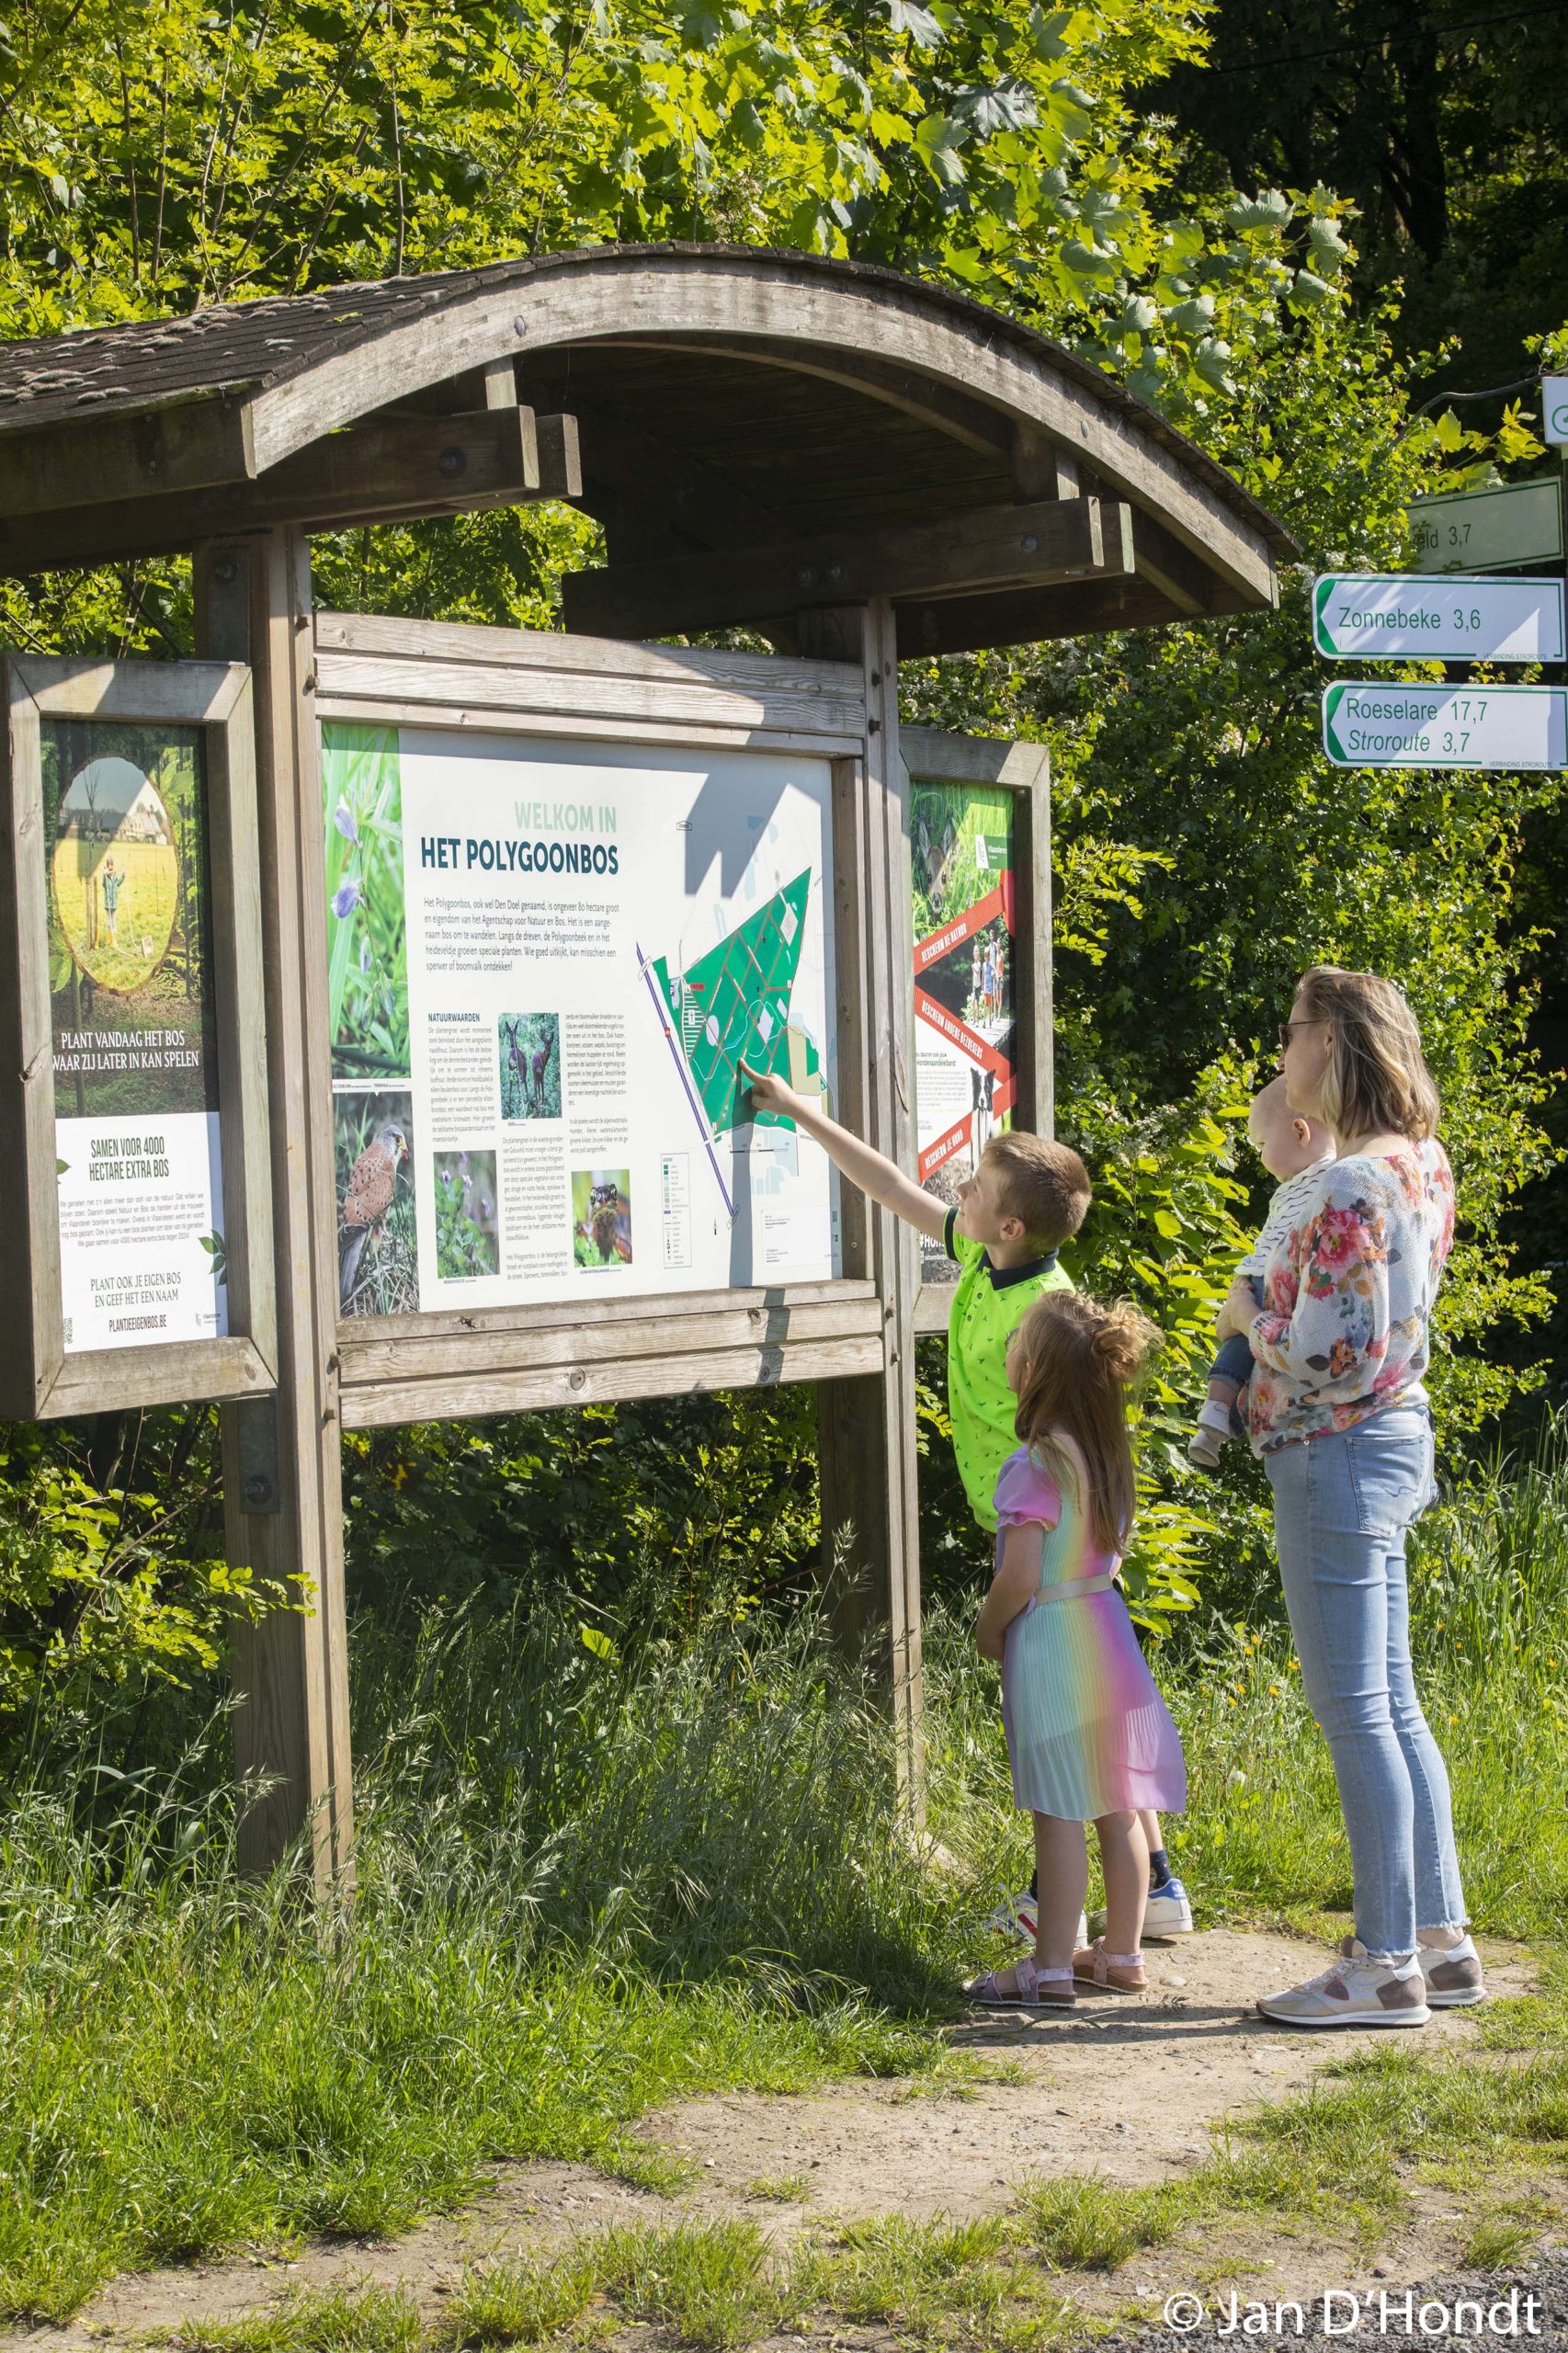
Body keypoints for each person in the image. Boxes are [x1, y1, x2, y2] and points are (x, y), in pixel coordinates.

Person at [738, 1057, 1189, 1943]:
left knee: (1070, 1719)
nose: (960, 1189)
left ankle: (1056, 1908)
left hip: (1046, 1531)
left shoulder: (1047, 1311)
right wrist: (797, 1111)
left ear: (1012, 1224)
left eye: (976, 1186)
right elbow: (890, 1187)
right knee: (1091, 1712)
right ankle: (1156, 1888)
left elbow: (1087, 1427)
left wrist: (1074, 1525)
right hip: (1016, 1514)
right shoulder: (985, 1257)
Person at [1219, 967, 1483, 2028]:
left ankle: (1381, 1967)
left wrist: (1248, 1322)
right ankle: (1440, 1943)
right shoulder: (1420, 1159)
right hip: (1389, 1439)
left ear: (1328, 1040)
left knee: (1355, 1711)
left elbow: (1335, 1351)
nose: (1279, 1052)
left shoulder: (1344, 1187)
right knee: (1393, 1701)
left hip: (1332, 1451)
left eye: (1289, 1030)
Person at [963, 1291, 1187, 2007]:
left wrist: (989, 1628)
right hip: (1107, 1634)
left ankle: (1050, 1967)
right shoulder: (1107, 1460)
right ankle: (1120, 1955)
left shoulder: (1033, 1466)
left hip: (1054, 1642)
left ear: (1030, 1370)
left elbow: (1020, 1574)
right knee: (1119, 1804)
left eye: (1016, 1343)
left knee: (1057, 1813)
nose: (1008, 1352)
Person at [1188, 1076, 1335, 1469]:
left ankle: (1218, 1412)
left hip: (1267, 1279)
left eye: (1262, 1145)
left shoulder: (1331, 1177)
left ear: (1300, 1132)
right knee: (1249, 1344)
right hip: (1273, 1279)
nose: (1261, 1157)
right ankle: (1220, 1421)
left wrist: (1242, 1288)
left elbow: (1271, 1247)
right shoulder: (1316, 1180)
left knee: (1241, 1341)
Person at [100, 854, 123, 947]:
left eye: (112, 865)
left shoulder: (115, 875)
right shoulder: (105, 877)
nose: (111, 867)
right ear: (107, 866)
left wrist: (123, 877)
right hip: (108, 904)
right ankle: (108, 940)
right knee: (109, 923)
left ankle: (114, 941)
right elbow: (103, 884)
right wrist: (104, 874)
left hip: (114, 904)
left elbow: (118, 884)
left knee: (114, 923)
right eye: (110, 865)